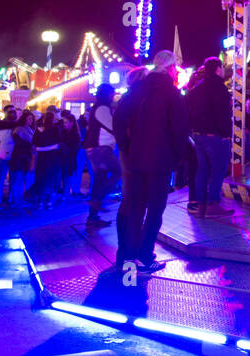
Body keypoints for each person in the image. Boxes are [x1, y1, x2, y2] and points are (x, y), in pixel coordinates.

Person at [114, 51, 189, 273]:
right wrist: (176, 157)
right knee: (155, 209)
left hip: (135, 159)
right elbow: (180, 129)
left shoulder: (137, 91)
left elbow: (119, 119)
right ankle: (145, 255)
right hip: (161, 161)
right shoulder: (172, 94)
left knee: (135, 207)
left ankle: (127, 256)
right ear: (171, 68)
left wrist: (126, 146)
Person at [186, 57, 234, 218]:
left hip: (198, 135)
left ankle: (201, 206)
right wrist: (226, 134)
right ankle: (213, 204)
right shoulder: (219, 88)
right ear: (218, 69)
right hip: (215, 136)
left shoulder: (197, 89)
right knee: (218, 171)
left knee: (202, 170)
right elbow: (222, 114)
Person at [84, 84, 120, 228]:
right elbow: (113, 127)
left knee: (99, 181)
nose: (113, 97)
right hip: (100, 148)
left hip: (96, 149)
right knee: (119, 171)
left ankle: (92, 218)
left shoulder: (98, 107)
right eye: (112, 94)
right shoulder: (102, 108)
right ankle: (97, 199)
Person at [32, 112, 61, 210]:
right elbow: (59, 140)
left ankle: (40, 201)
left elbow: (34, 142)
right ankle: (49, 202)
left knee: (41, 177)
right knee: (51, 178)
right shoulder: (56, 129)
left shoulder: (39, 130)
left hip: (41, 156)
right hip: (52, 156)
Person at [8, 112, 36, 207]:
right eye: (28, 118)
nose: (30, 121)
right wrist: (30, 146)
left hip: (25, 157)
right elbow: (18, 143)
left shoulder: (30, 130)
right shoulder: (18, 130)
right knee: (17, 179)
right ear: (23, 119)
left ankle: (20, 199)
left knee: (22, 180)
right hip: (18, 157)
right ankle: (15, 200)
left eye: (31, 119)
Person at [0, 106, 16, 204]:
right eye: (10, 111)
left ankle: (10, 196)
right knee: (1, 176)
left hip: (15, 155)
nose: (12, 113)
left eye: (13, 111)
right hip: (3, 155)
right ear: (5, 112)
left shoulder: (18, 124)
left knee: (12, 177)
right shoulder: (0, 124)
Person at [58, 112, 81, 196]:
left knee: (68, 175)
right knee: (63, 175)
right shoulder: (63, 131)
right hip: (63, 158)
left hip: (70, 158)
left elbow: (74, 147)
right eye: (64, 122)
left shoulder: (75, 134)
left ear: (72, 123)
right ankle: (64, 191)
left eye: (66, 122)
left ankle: (66, 193)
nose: (64, 124)